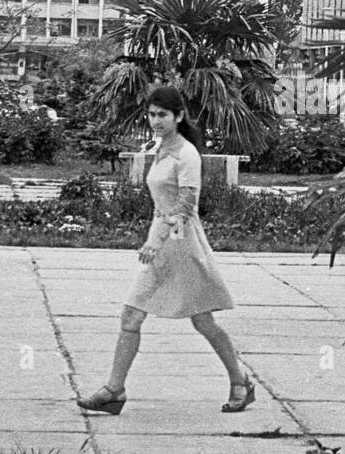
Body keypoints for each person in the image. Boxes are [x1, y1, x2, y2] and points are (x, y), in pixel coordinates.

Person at [77, 85, 255, 415]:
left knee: (203, 321)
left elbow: (186, 206)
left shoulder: (186, 154)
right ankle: (114, 390)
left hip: (181, 245)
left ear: (179, 116)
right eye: (151, 114)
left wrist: (156, 242)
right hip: (161, 242)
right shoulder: (161, 148)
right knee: (132, 313)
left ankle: (240, 382)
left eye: (163, 115)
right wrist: (155, 238)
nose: (155, 120)